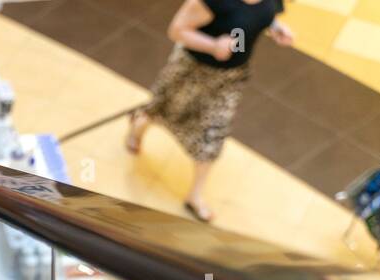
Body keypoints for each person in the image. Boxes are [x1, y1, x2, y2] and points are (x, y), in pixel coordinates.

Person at [126, 0, 294, 222]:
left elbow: (257, 16)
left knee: (213, 134)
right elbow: (177, 30)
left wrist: (275, 27)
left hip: (230, 79)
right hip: (191, 72)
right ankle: (137, 129)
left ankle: (194, 195)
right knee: (162, 111)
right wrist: (212, 45)